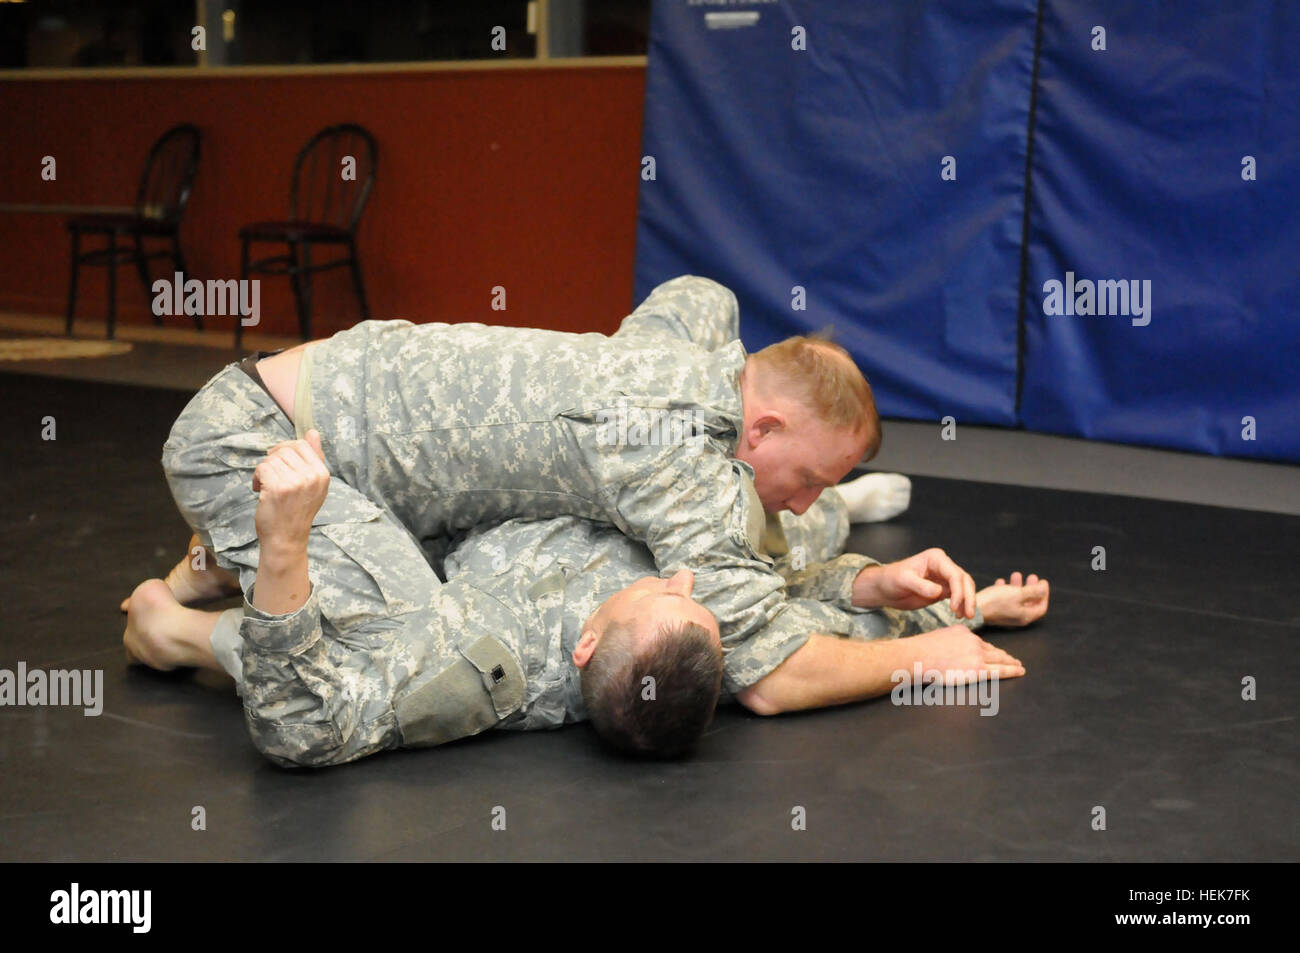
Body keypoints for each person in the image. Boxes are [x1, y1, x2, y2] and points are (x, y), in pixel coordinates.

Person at [124, 436, 1044, 767]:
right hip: (574, 503)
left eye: (668, 592)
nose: (685, 584)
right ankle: (847, 499)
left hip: (421, 558)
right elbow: (807, 617)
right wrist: (949, 614)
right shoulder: (687, 645)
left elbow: (308, 728)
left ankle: (177, 625)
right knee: (791, 540)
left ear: (589, 640)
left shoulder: (488, 665)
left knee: (313, 637)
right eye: (698, 601)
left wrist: (283, 549)